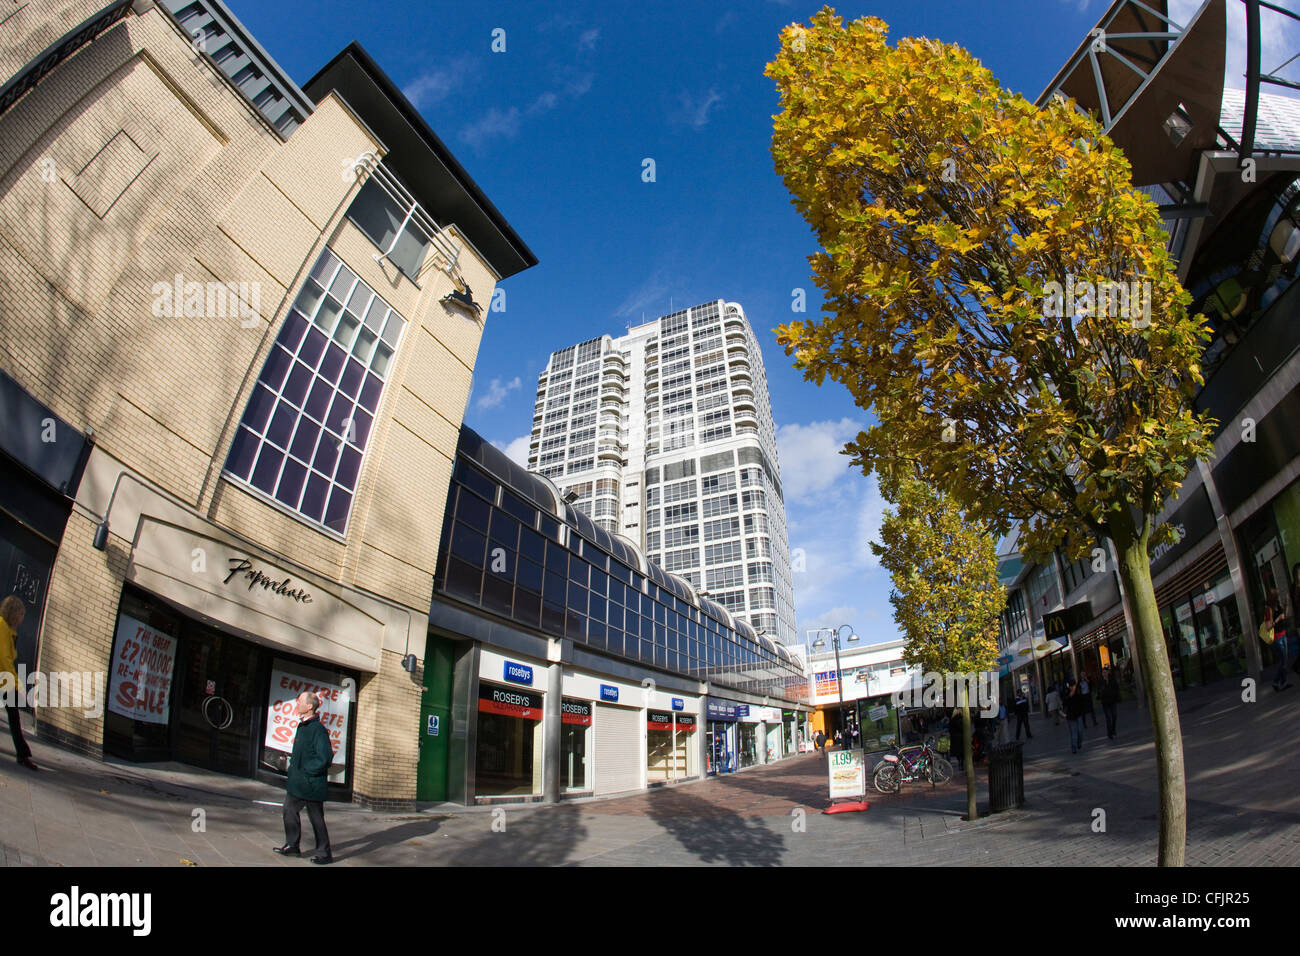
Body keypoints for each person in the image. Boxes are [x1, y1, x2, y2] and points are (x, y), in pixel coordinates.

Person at [274, 691, 334, 864]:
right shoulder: (304, 725)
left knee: (316, 819)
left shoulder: (318, 730)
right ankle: (292, 845)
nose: (296, 703)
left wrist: (307, 771)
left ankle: (325, 854)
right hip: (298, 782)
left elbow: (325, 758)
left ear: (309, 706)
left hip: (311, 784)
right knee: (289, 810)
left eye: (299, 701)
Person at [0, 596, 37, 771]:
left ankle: (22, 754)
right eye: (21, 614)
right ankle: (22, 755)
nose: (22, 618)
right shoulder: (2, 627)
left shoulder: (9, 630)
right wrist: (16, 685)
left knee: (14, 717)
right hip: (4, 679)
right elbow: (5, 659)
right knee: (14, 717)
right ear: (14, 613)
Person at [1266, 588, 1292, 692]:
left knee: (1284, 660)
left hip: (1283, 635)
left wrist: (1286, 605)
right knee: (1283, 661)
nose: (1277, 597)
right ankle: (1277, 681)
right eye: (1276, 596)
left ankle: (1281, 682)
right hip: (1276, 638)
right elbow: (1268, 627)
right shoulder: (1268, 610)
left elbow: (1284, 616)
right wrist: (1277, 620)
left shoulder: (1278, 606)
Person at [1064, 678, 1087, 754]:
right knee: (1073, 732)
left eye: (1073, 686)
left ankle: (1079, 743)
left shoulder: (1078, 691)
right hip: (1071, 716)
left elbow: (1082, 701)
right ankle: (1074, 747)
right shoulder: (1067, 692)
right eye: (1071, 686)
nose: (1072, 687)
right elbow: (1065, 702)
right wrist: (1069, 696)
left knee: (1080, 730)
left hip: (1079, 714)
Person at [1098, 665, 1121, 739]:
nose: (1104, 674)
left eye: (1105, 672)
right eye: (1103, 672)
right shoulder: (1101, 681)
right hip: (1105, 702)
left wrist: (1116, 696)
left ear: (1108, 672)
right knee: (1108, 717)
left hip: (1112, 700)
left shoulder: (1112, 680)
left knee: (1114, 715)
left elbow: (1116, 688)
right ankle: (1109, 733)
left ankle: (1113, 729)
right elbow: (1099, 691)